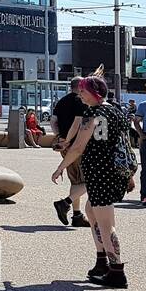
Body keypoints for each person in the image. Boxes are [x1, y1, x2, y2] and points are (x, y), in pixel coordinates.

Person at [52, 75, 133, 289]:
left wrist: (61, 167)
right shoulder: (117, 111)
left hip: (100, 172)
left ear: (95, 93)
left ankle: (116, 272)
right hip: (113, 172)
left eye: (83, 91)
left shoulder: (93, 113)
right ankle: (101, 262)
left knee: (106, 224)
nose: (80, 95)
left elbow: (78, 146)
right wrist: (129, 175)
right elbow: (124, 144)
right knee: (91, 211)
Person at [50, 77, 90, 227]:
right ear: (81, 87)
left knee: (75, 180)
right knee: (88, 181)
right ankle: (66, 204)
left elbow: (53, 121)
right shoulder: (82, 101)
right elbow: (79, 123)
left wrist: (60, 137)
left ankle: (77, 214)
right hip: (79, 146)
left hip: (64, 146)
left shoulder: (62, 101)